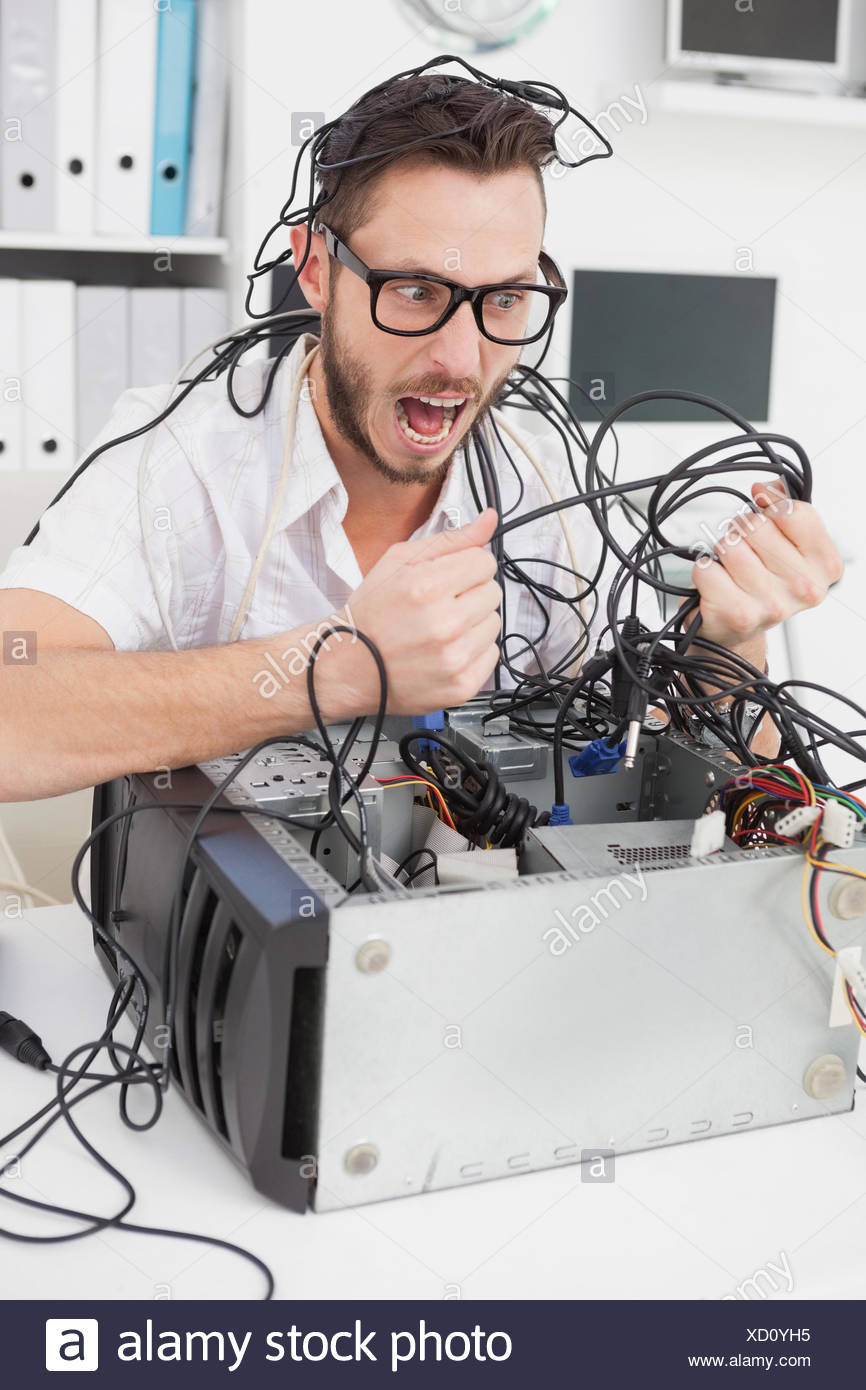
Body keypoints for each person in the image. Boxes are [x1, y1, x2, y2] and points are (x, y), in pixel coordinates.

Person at [0, 74, 843, 803]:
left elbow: (654, 777)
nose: (459, 360)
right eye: (414, 292)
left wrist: (725, 650)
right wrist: (343, 666)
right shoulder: (179, 456)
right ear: (317, 270)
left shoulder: (544, 481)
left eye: (505, 301)